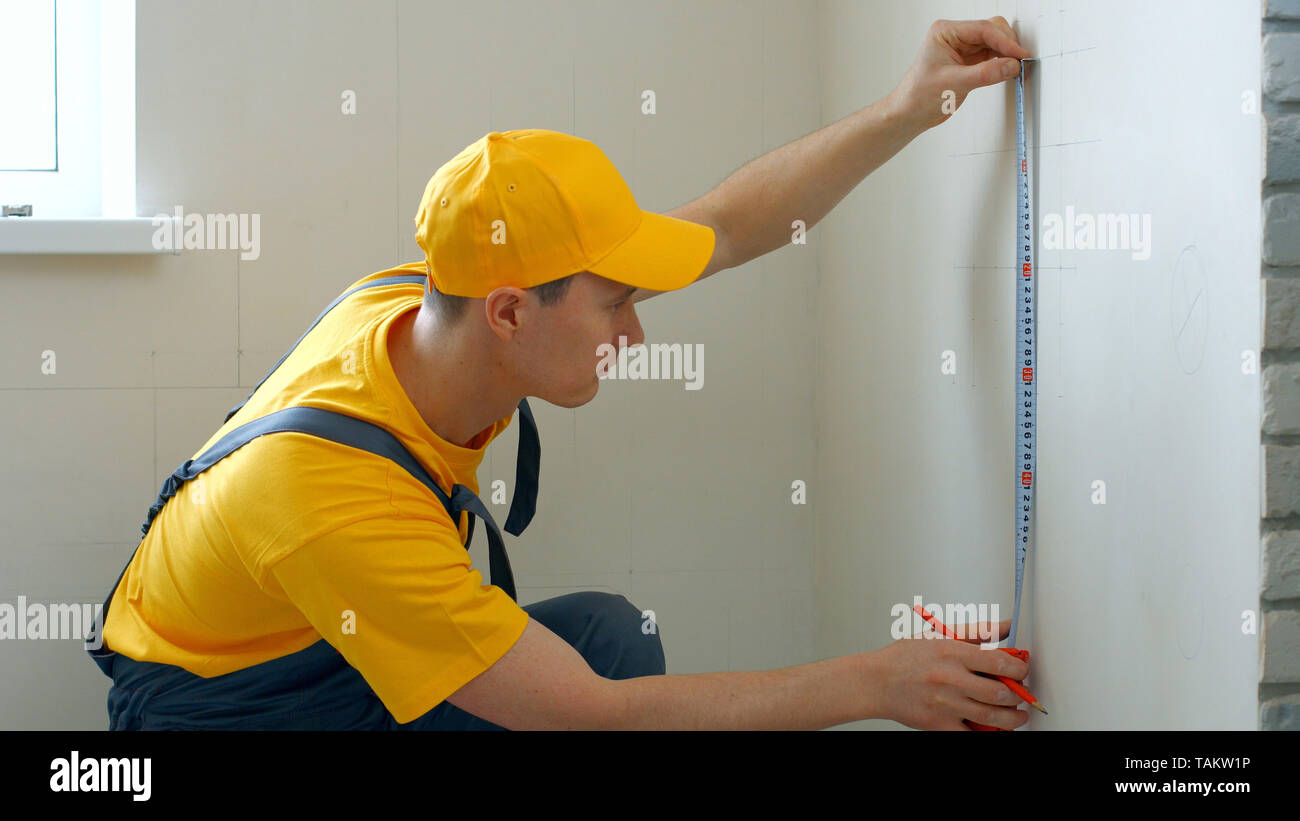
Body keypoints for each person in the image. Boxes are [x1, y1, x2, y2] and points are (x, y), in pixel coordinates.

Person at [91, 17, 1034, 731]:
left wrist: (910, 107)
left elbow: (734, 225)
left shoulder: (423, 303)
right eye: (615, 303)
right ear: (509, 312)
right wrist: (877, 681)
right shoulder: (330, 499)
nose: (634, 330)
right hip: (206, 706)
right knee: (591, 691)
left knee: (613, 636)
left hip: (313, 631)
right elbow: (593, 712)